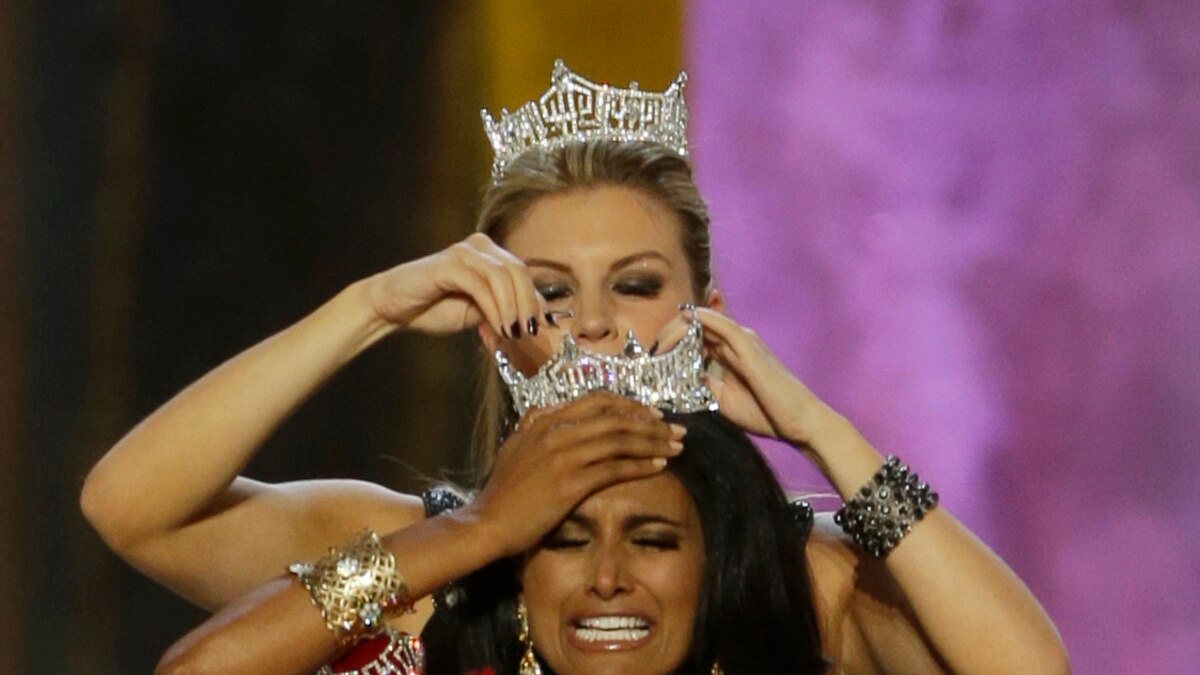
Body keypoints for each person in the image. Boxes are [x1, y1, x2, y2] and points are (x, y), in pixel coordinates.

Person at [81, 61, 1069, 674]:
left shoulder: (795, 569)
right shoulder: (418, 560)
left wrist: (823, 430)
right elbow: (135, 509)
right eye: (547, 293)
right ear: (489, 325)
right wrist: (368, 310)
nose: (592, 325)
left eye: (636, 285)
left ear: (709, 321)